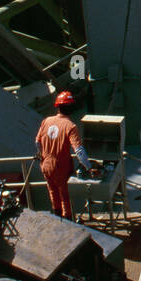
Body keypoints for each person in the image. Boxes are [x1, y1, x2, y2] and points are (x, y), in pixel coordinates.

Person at [35, 90, 91, 220]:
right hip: (60, 168)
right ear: (71, 108)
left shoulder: (46, 121)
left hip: (45, 165)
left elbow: (37, 142)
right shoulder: (70, 126)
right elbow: (79, 151)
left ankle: (57, 218)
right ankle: (67, 222)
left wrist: (42, 155)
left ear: (58, 107)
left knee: (53, 193)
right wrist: (88, 167)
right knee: (65, 197)